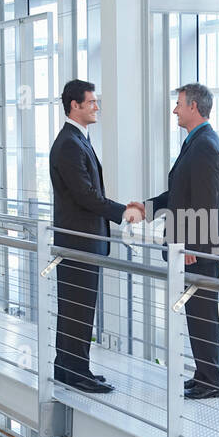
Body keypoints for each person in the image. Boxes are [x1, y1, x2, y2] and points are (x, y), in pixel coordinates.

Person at [48, 80, 143, 393]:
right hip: (78, 243)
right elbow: (86, 196)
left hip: (82, 241)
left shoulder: (77, 140)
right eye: (91, 102)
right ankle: (74, 372)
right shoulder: (69, 145)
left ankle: (71, 368)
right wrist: (122, 212)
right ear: (74, 105)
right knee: (77, 307)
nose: (96, 107)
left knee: (79, 307)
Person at [135, 83, 219, 399]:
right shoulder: (196, 143)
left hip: (196, 250)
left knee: (203, 313)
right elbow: (178, 196)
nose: (174, 110)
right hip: (190, 247)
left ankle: (212, 381)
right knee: (197, 314)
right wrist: (144, 209)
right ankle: (204, 374)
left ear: (194, 107)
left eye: (178, 104)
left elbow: (205, 203)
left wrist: (191, 247)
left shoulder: (204, 146)